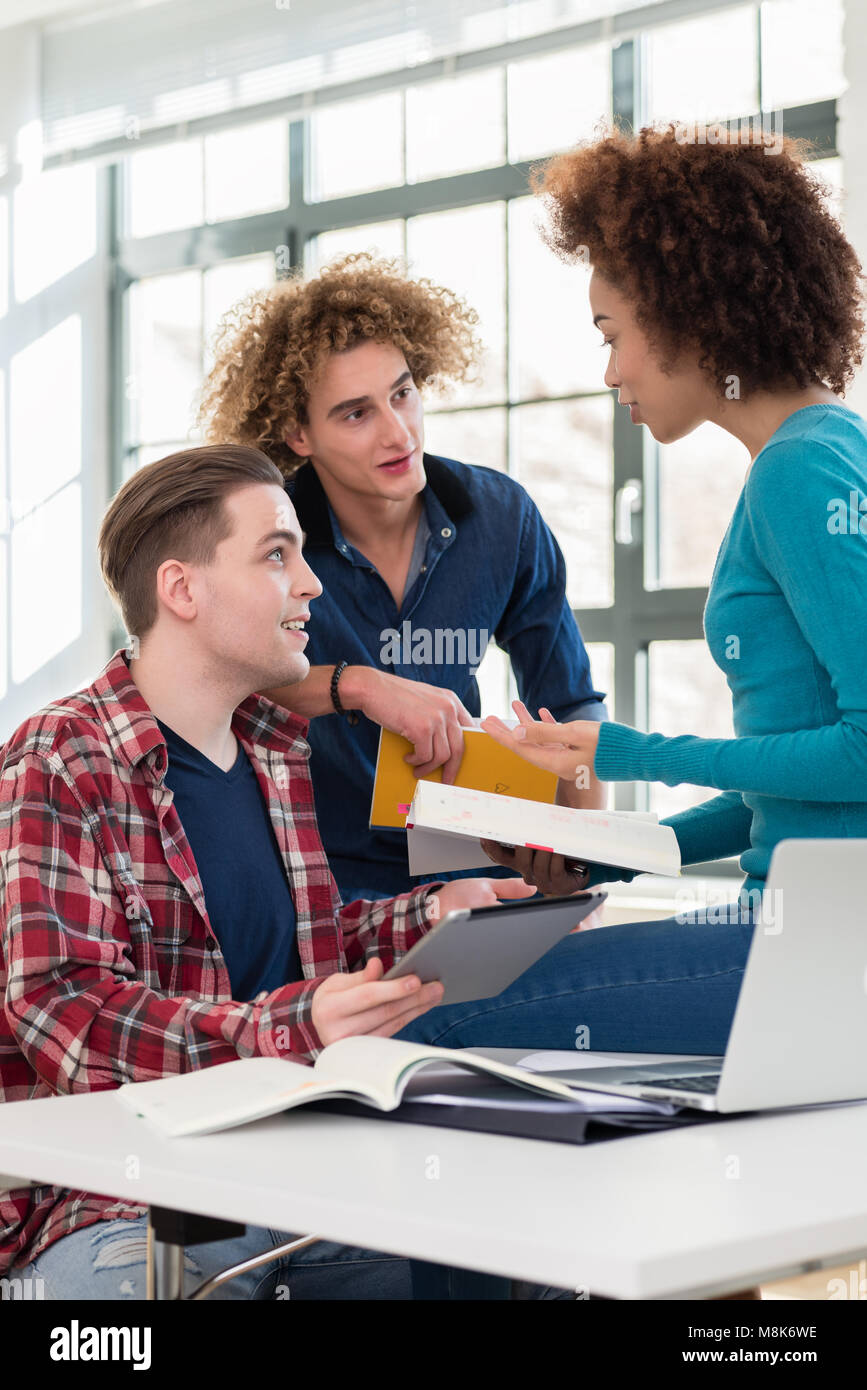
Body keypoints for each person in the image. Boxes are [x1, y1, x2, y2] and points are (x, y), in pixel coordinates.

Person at [0, 443, 547, 1301]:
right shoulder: (62, 756)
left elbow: (307, 946)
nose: (311, 585)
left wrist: (437, 912)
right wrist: (290, 1028)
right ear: (182, 590)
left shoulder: (274, 750)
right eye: (275, 554)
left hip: (295, 1170)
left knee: (527, 1259)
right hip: (122, 1197)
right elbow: (59, 1006)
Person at [387, 122, 867, 1098]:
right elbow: (806, 790)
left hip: (807, 957)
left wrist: (621, 753)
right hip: (808, 939)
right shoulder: (830, 454)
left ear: (688, 310)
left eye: (612, 334)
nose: (611, 375)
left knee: (419, 1016)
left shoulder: (798, 475)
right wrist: (606, 853)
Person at [198, 254, 608, 905]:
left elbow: (571, 704)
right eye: (356, 414)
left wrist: (582, 864)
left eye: (402, 393)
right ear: (298, 432)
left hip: (472, 861)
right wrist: (357, 686)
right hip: (314, 879)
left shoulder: (502, 517)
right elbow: (217, 685)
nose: (398, 433)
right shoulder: (261, 533)